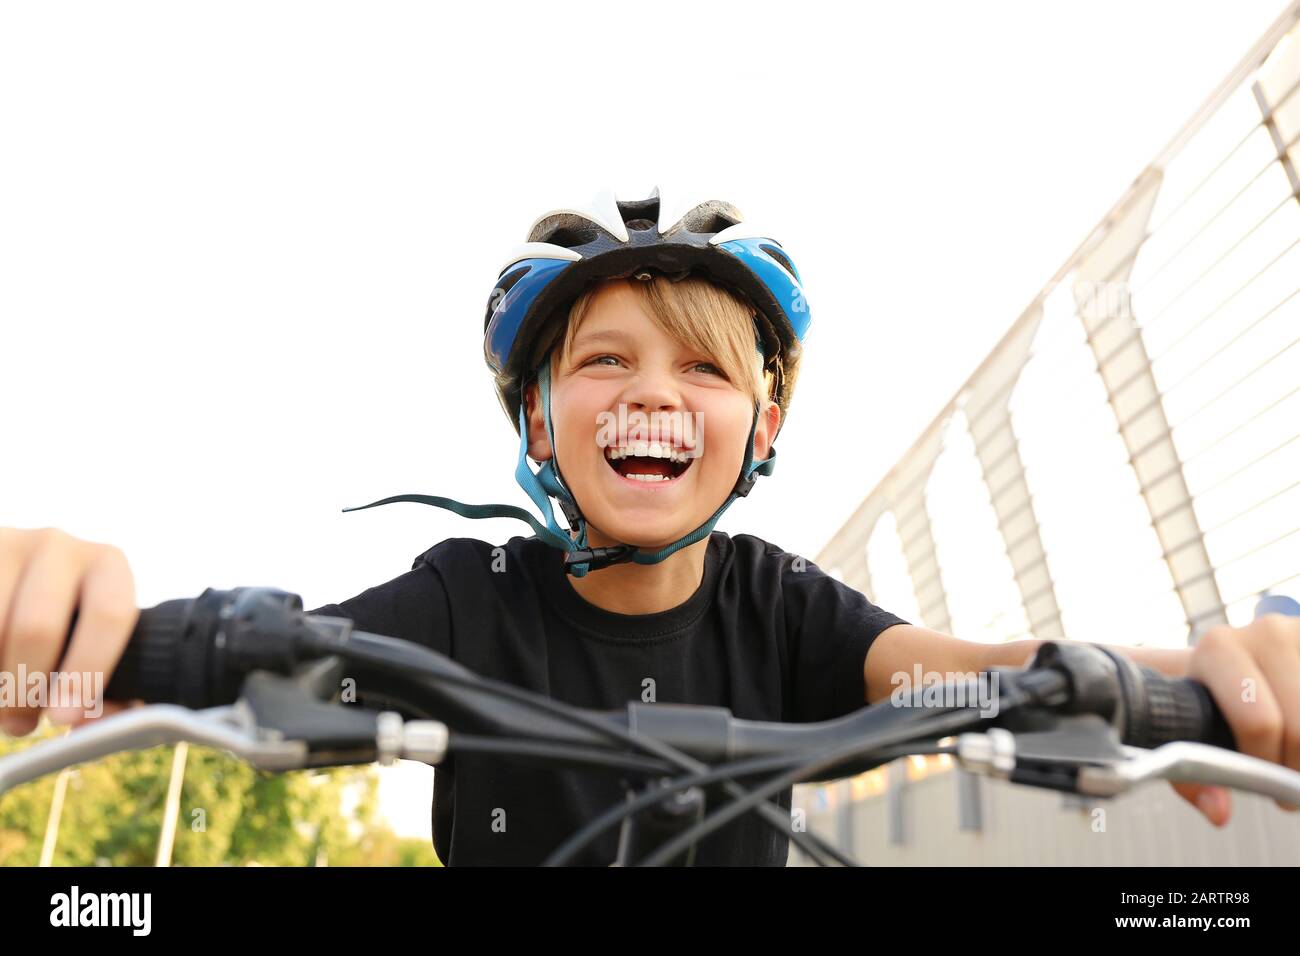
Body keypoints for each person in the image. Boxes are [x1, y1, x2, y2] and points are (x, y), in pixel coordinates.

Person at [2, 188, 1298, 866]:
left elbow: (997, 675)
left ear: (763, 429)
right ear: (540, 426)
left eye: (706, 370)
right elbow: (256, 671)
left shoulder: (785, 614)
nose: (653, 394)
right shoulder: (465, 602)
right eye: (604, 362)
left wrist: (1219, 676)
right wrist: (51, 630)